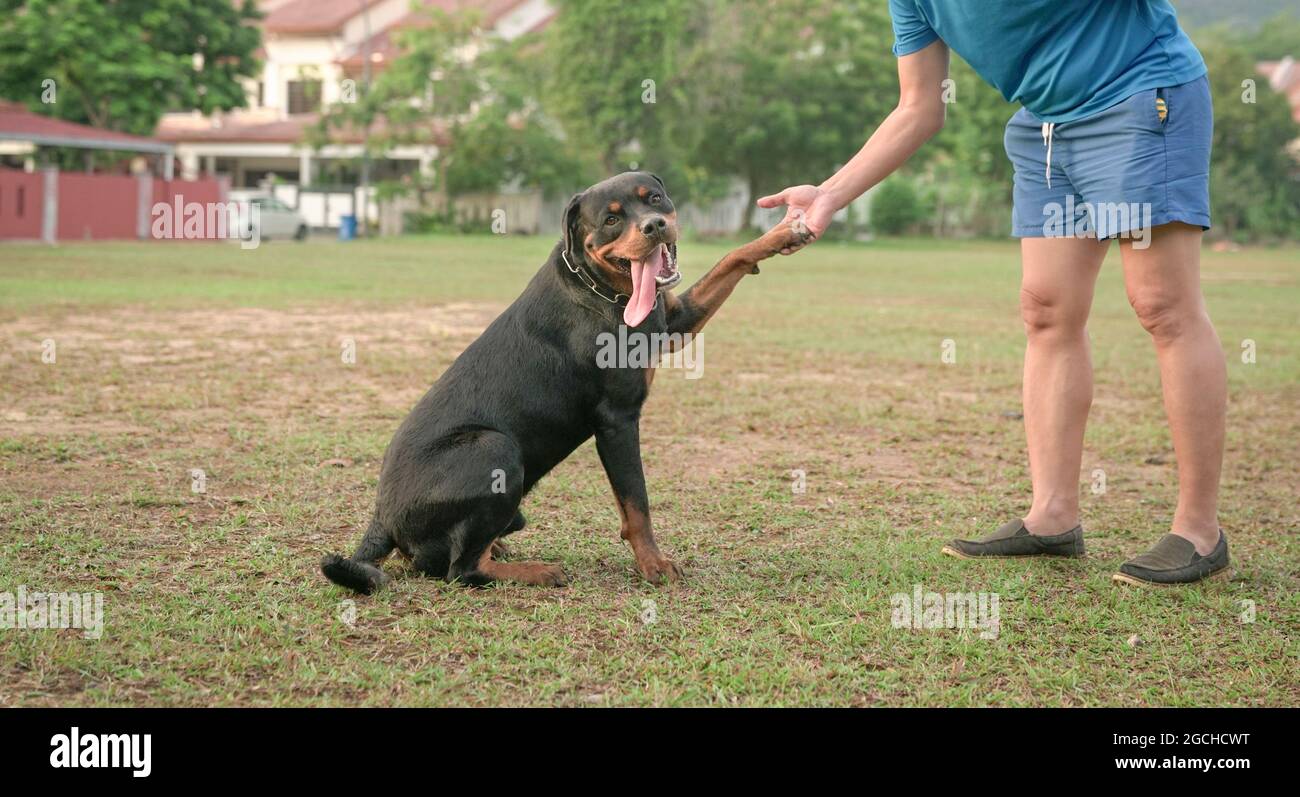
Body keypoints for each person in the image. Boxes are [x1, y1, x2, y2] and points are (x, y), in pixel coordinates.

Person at [759, 0, 1228, 585]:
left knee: (1162, 306)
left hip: (1137, 99)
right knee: (1047, 309)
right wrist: (829, 193)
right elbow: (918, 107)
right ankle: (1053, 515)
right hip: (1046, 131)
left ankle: (1199, 531)